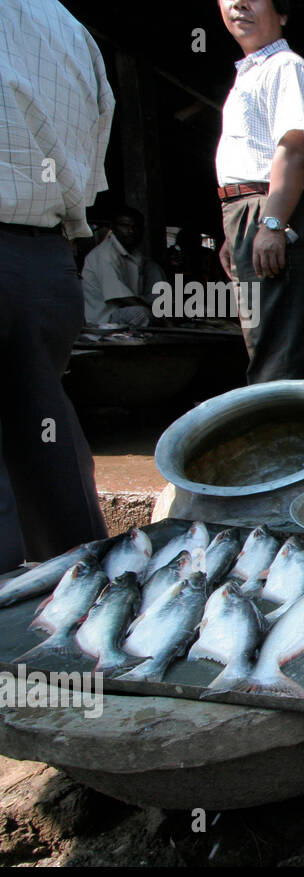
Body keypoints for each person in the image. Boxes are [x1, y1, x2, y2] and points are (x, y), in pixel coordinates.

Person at [0, 0, 112, 570]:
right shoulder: (68, 26)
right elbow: (95, 151)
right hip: (44, 259)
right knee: (45, 442)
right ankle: (78, 584)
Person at [215, 0, 304, 383]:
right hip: (254, 212)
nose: (239, 4)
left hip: (275, 209)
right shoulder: (251, 74)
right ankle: (277, 434)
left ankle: (280, 437)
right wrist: (238, 233)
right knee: (264, 340)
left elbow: (294, 151)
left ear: (282, 13)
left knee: (276, 347)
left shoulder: (287, 68)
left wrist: (273, 222)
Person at [81, 206, 167, 328]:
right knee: (141, 314)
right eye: (124, 226)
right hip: (105, 319)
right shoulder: (104, 255)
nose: (130, 231)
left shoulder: (135, 255)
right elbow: (123, 298)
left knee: (153, 268)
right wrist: (160, 316)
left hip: (126, 310)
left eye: (135, 227)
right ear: (113, 228)